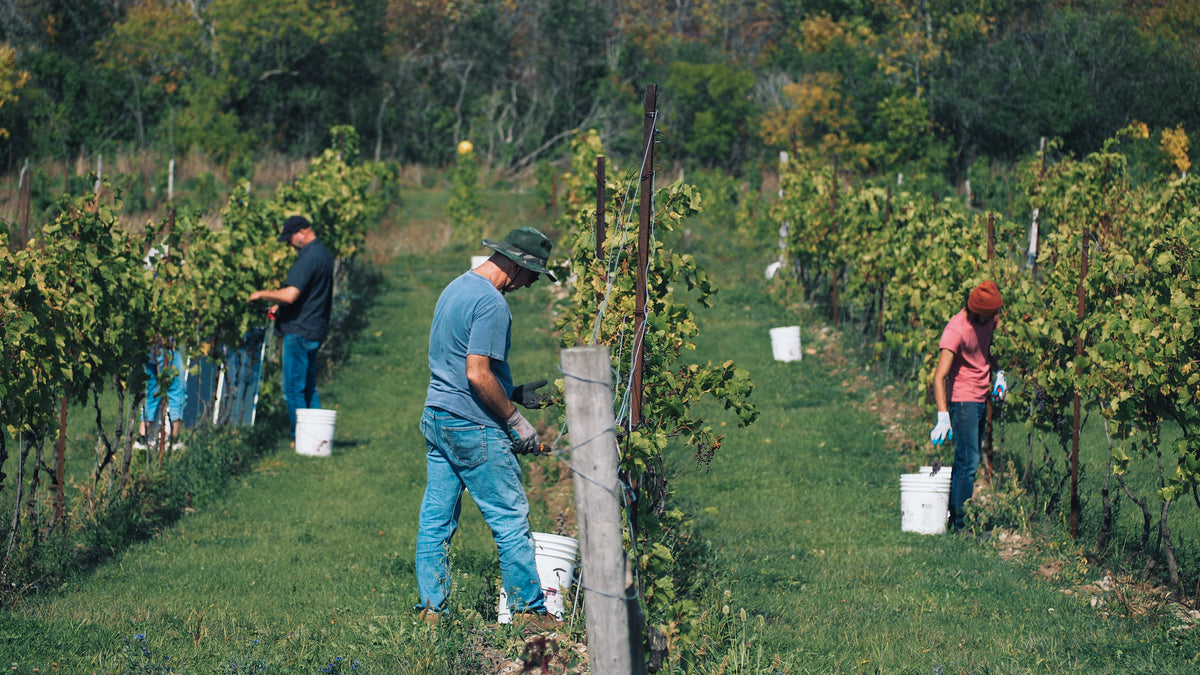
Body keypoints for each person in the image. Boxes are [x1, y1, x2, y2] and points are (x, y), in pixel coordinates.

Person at [415, 226, 556, 628]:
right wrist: (515, 420)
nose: (529, 285)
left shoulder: (456, 288)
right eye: (532, 275)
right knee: (509, 518)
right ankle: (531, 615)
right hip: (472, 426)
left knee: (436, 519)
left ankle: (431, 611)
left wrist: (512, 391)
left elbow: (456, 362)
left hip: (438, 417)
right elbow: (477, 374)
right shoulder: (493, 304)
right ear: (517, 264)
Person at [930, 280, 1006, 532]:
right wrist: (943, 415)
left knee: (965, 461)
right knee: (970, 461)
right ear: (976, 311)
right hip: (962, 401)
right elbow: (939, 376)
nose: (994, 319)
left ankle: (955, 519)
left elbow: (985, 351)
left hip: (981, 395)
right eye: (989, 315)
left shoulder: (988, 320)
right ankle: (961, 524)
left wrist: (999, 373)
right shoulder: (956, 329)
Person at [249, 215, 334, 437]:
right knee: (307, 387)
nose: (289, 243)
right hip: (315, 327)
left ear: (302, 232)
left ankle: (301, 437)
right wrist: (279, 308)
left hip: (299, 331)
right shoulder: (323, 254)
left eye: (290, 238)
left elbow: (290, 295)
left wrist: (262, 295)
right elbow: (311, 295)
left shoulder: (307, 257)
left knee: (292, 390)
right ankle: (318, 438)